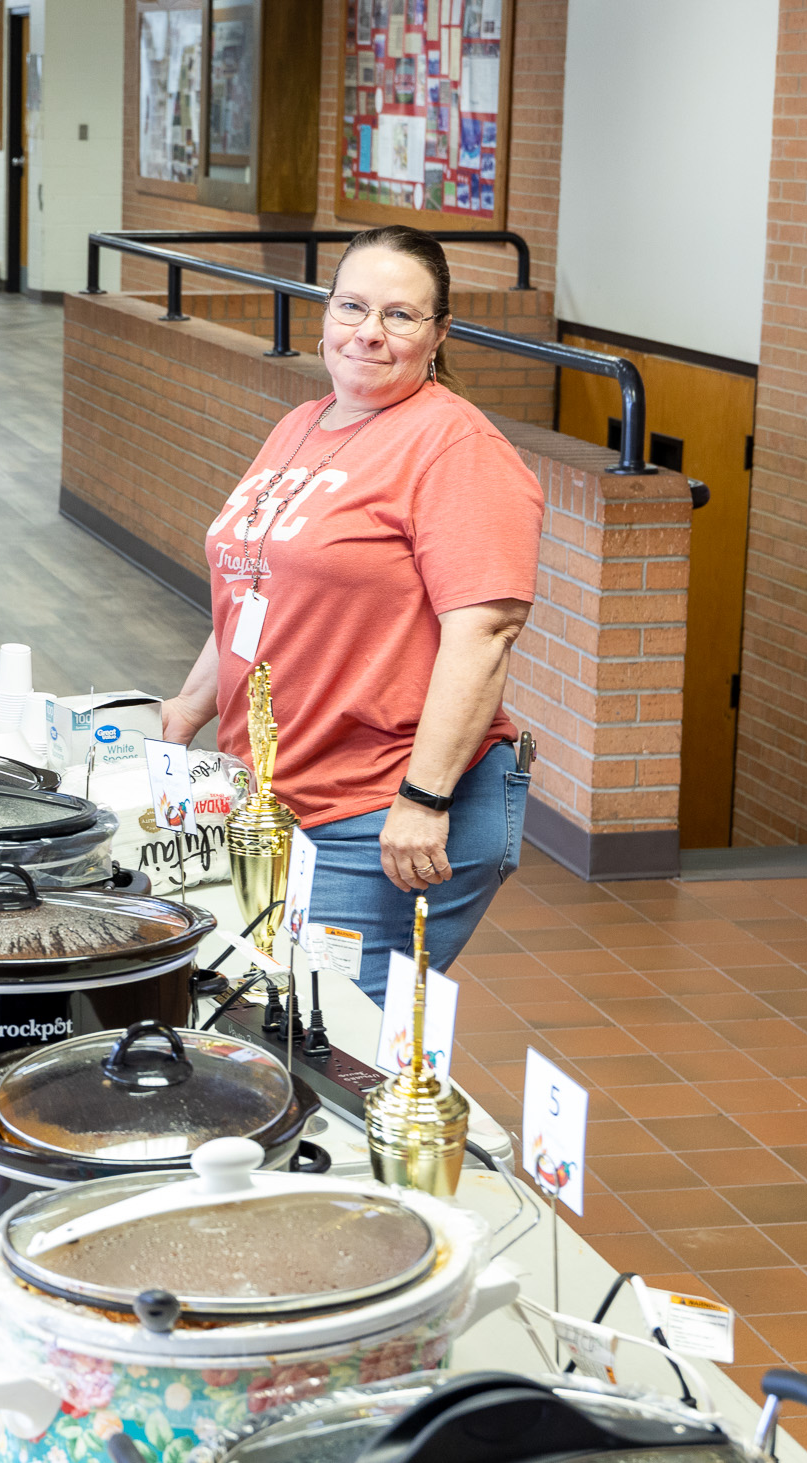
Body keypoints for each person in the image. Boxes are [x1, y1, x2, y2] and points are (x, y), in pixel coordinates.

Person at [161, 225, 542, 1001]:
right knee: (275, 1013)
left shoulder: (455, 447)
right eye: (352, 307)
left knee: (337, 1043)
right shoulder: (301, 425)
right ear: (325, 314)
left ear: (438, 335)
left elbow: (486, 629)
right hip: (279, 793)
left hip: (381, 810)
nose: (369, 332)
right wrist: (191, 705)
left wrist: (424, 797)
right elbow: (257, 584)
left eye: (400, 316)